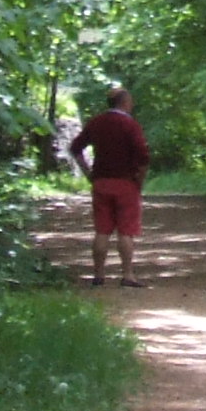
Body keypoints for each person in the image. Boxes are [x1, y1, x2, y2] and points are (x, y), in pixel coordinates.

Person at [70, 83, 151, 286]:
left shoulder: (96, 122)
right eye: (130, 102)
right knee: (126, 231)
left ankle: (98, 275)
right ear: (125, 103)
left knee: (102, 230)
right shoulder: (130, 125)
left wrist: (88, 173)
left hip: (101, 182)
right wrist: (139, 181)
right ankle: (127, 275)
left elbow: (75, 148)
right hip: (126, 183)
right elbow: (143, 156)